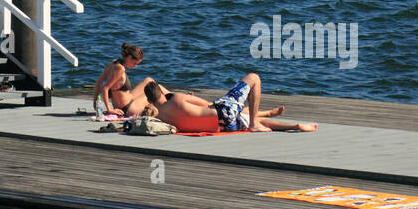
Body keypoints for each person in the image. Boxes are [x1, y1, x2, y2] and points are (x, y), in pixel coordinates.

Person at [142, 75, 316, 133]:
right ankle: (256, 122)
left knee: (243, 118)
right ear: (163, 92)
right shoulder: (178, 98)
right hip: (222, 113)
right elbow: (206, 103)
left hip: (224, 127)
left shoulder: (162, 118)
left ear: (150, 100)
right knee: (254, 78)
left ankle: (293, 126)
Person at [93, 43, 169, 117]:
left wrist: (95, 103)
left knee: (149, 80)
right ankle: (172, 102)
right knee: (156, 89)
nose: (135, 66)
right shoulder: (120, 69)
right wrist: (109, 110)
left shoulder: (113, 63)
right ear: (129, 57)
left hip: (128, 100)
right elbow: (105, 88)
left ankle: (170, 100)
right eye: (135, 63)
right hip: (128, 108)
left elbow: (98, 83)